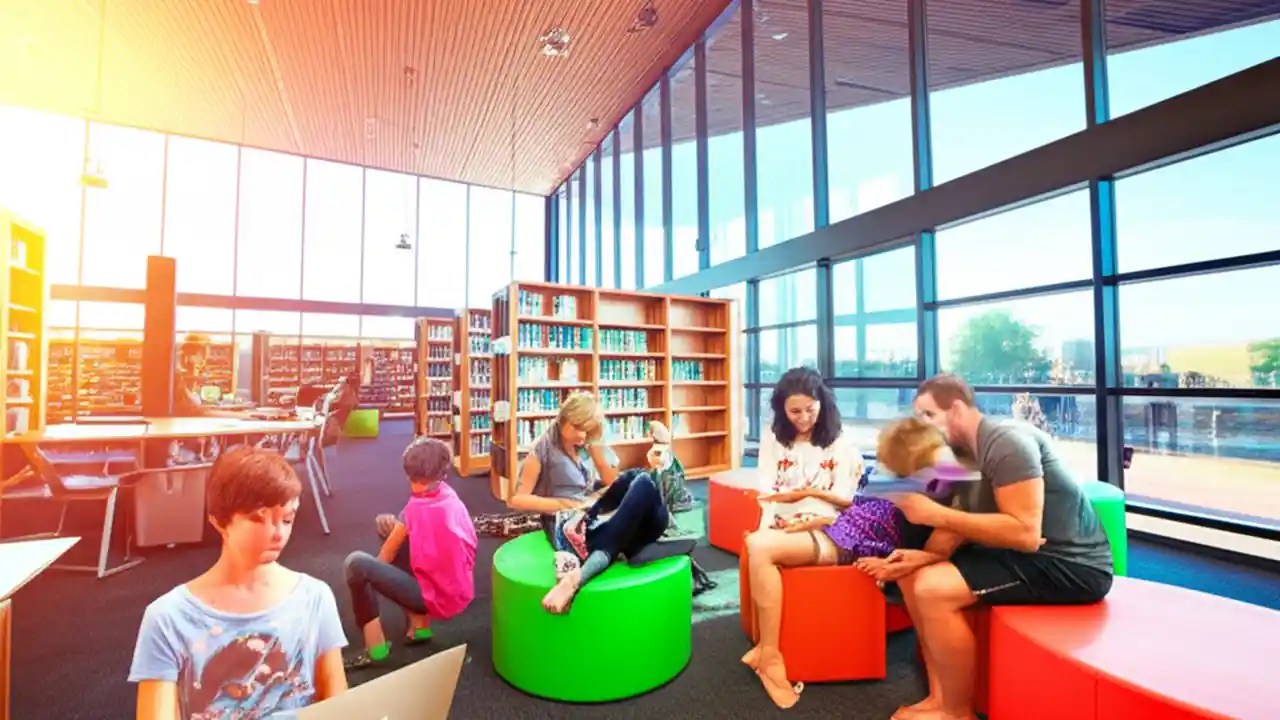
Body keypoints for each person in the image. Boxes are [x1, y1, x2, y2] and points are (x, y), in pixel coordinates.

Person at [859, 374, 1113, 720]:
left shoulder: (1007, 443)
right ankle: (938, 696)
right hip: (1025, 551)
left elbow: (1025, 533)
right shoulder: (964, 451)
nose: (923, 426)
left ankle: (956, 711)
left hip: (1070, 563)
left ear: (958, 408)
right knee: (913, 576)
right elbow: (964, 519)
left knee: (933, 589)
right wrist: (925, 556)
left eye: (929, 415)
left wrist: (933, 514)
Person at [129, 447, 348, 718]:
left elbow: (338, 704)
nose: (278, 533)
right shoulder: (168, 618)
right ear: (220, 522)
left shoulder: (315, 597)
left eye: (287, 519)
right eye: (258, 519)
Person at [739, 367, 862, 709]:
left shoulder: (841, 440)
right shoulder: (773, 436)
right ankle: (767, 651)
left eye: (811, 409)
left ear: (822, 402)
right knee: (759, 542)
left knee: (758, 547)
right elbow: (766, 489)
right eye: (795, 411)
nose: (804, 418)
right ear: (781, 409)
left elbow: (846, 500)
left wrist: (805, 505)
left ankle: (769, 653)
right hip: (784, 524)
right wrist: (778, 518)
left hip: (829, 528)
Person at [507, 392, 669, 614]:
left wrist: (597, 450)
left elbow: (612, 481)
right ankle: (577, 578)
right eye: (579, 428)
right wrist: (564, 504)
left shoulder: (586, 443)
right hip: (569, 526)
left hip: (592, 512)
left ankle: (624, 543)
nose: (583, 435)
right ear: (565, 420)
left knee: (637, 478)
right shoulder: (542, 449)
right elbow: (517, 499)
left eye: (588, 429)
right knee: (642, 484)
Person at [343, 437, 477, 669]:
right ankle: (420, 627)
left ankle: (375, 649)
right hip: (458, 590)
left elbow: (384, 559)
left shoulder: (415, 509)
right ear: (442, 473)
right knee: (388, 527)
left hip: (434, 597)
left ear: (409, 475)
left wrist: (374, 578)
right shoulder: (448, 496)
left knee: (356, 564)